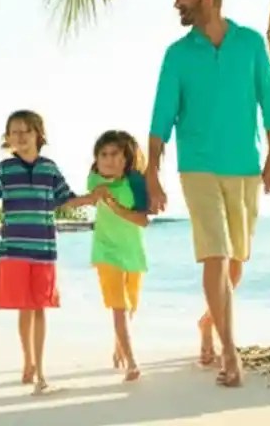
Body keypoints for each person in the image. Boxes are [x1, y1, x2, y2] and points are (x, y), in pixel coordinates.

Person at [145, 0, 270, 388]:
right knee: (216, 255)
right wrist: (152, 173)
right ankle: (230, 352)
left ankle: (209, 323)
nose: (177, 2)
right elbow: (160, 119)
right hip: (198, 166)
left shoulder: (250, 43)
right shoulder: (177, 54)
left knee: (236, 264)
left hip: (244, 165)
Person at [0, 110, 102, 395]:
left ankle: (40, 368)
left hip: (44, 251)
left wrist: (94, 197)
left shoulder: (49, 169)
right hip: (13, 249)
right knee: (25, 308)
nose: (20, 137)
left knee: (39, 308)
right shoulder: (4, 170)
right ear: (8, 138)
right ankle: (29, 362)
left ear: (39, 135)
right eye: (14, 132)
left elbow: (67, 201)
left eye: (26, 131)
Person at [87, 129, 150, 382]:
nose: (108, 159)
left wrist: (113, 204)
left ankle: (119, 346)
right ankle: (132, 363)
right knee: (119, 308)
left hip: (133, 253)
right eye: (103, 154)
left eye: (115, 154)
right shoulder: (94, 182)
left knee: (131, 306)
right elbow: (95, 190)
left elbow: (142, 220)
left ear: (127, 158)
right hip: (106, 253)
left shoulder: (135, 184)